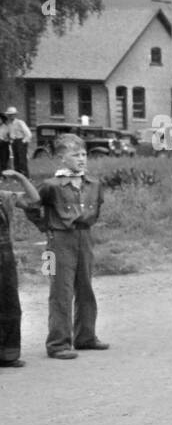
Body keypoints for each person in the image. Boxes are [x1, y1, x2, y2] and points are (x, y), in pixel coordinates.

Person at [22, 134, 108, 359]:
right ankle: (58, 343)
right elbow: (31, 205)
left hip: (84, 237)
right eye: (75, 155)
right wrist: (46, 226)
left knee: (85, 287)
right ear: (61, 158)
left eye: (84, 154)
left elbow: (95, 210)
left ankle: (85, 336)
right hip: (57, 242)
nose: (81, 159)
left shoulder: (94, 184)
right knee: (60, 290)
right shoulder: (51, 186)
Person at [0, 168, 40, 367]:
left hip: (4, 255)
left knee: (10, 306)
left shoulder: (5, 198)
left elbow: (34, 201)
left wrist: (21, 177)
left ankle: (8, 355)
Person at [1, 108, 32, 177]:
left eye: (12, 115)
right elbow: (8, 134)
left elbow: (28, 133)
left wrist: (24, 141)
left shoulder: (20, 122)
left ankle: (26, 176)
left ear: (15, 115)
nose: (10, 116)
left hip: (21, 141)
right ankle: (18, 176)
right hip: (14, 142)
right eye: (9, 115)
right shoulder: (9, 124)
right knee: (16, 160)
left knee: (22, 160)